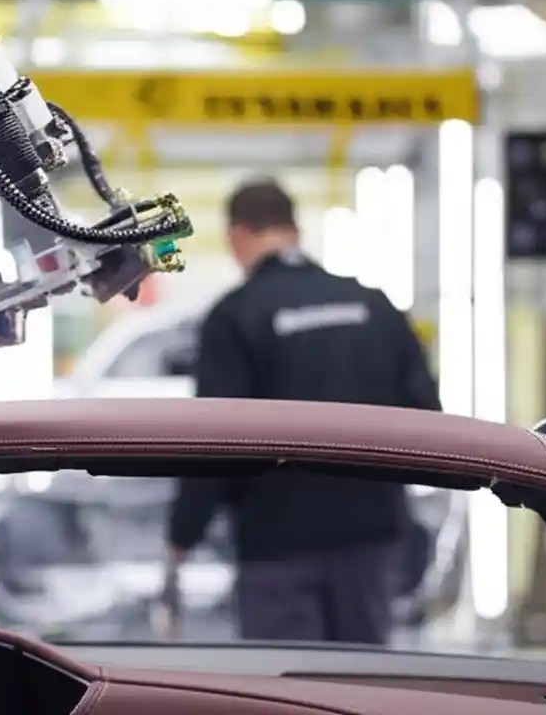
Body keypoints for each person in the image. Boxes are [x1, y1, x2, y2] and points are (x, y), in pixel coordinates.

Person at [163, 177, 441, 645]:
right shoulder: (374, 307)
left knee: (288, 678)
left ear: (237, 236)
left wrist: (182, 536)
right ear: (296, 230)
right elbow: (427, 415)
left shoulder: (235, 315)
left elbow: (214, 442)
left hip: (277, 546)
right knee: (365, 675)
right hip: (370, 536)